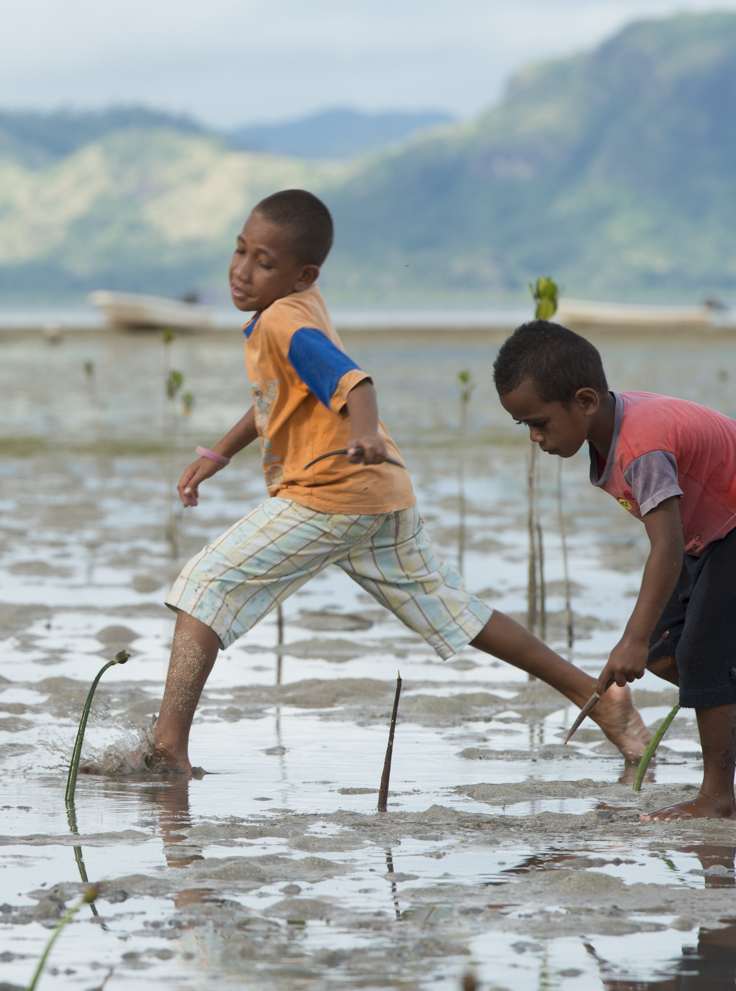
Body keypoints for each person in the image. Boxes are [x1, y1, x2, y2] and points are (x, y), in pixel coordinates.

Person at [155, 190, 652, 772]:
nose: (242, 270)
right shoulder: (299, 305)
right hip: (382, 494)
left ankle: (168, 749)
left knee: (208, 582)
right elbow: (282, 398)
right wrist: (220, 452)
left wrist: (362, 432)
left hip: (332, 494)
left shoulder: (286, 322)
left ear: (302, 274)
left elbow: (355, 384)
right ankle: (601, 700)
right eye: (240, 251)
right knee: (455, 609)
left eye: (264, 262)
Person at [492, 319, 736, 819]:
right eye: (525, 426)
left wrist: (631, 637)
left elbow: (663, 544)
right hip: (704, 531)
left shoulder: (641, 448)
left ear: (584, 402)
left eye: (539, 422)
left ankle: (717, 800)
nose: (535, 437)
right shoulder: (608, 426)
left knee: (704, 656)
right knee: (666, 655)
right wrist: (644, 642)